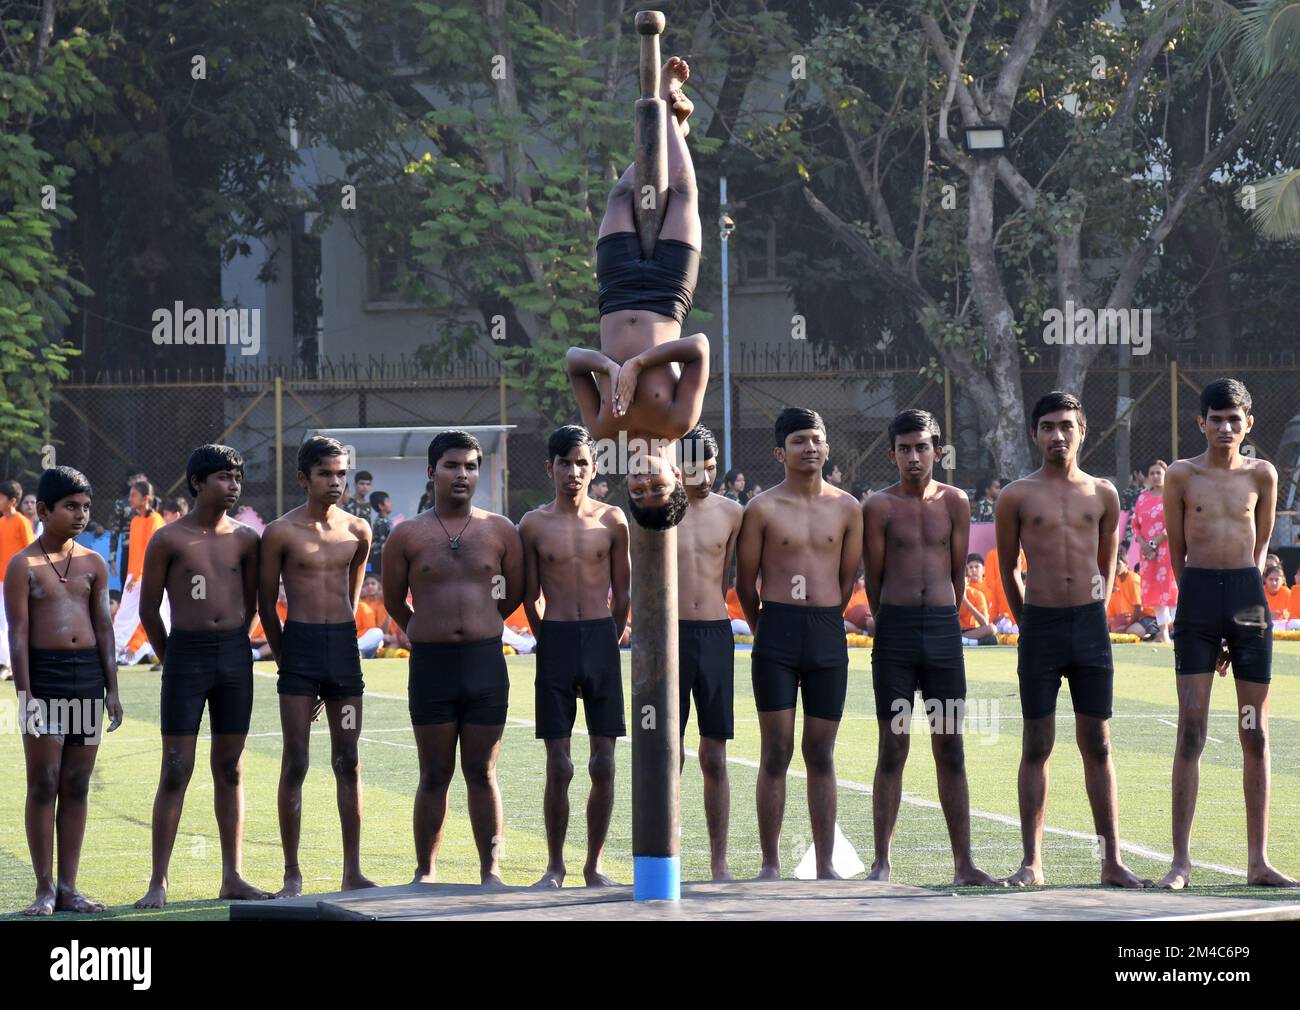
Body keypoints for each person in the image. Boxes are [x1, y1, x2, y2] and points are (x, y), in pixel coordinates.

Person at [996, 391, 1149, 888]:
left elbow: (1107, 565)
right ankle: (1032, 863)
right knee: (1036, 743)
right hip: (1039, 627)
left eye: (1066, 425)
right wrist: (1026, 622)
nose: (1057, 435)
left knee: (1098, 745)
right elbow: (1006, 567)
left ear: (1082, 430)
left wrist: (1094, 611)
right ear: (1035, 433)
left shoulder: (1103, 494)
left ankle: (1111, 860)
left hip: (1088, 629)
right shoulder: (1016, 496)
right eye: (1047, 426)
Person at [1158, 379, 1297, 889]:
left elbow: (1260, 546)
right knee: (1191, 730)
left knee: (1254, 730)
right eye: (1215, 419)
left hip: (1247, 602)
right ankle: (1180, 862)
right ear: (1201, 422)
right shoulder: (1181, 475)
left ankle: (1258, 862)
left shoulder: (1262, 474)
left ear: (1248, 425)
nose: (1224, 427)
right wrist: (1201, 612)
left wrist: (1241, 604)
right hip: (1196, 599)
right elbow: (1177, 551)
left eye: (1234, 420)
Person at [564, 57, 708, 529]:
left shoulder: (605, 427)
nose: (646, 481)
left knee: (620, 197)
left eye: (639, 490)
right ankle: (667, 105)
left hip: (617, 290)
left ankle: (674, 128)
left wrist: (609, 366)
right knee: (683, 193)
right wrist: (642, 365)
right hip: (668, 292)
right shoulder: (677, 422)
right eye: (658, 487)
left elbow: (571, 359)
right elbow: (698, 349)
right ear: (674, 475)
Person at [862, 410, 999, 886]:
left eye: (922, 447)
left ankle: (964, 864)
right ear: (892, 454)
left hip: (942, 633)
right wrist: (894, 619)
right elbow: (874, 580)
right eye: (904, 449)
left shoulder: (955, 502)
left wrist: (942, 616)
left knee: (952, 747)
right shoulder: (879, 506)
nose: (913, 457)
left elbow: (957, 574)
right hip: (896, 633)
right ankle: (882, 862)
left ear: (938, 451)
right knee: (893, 746)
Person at [382, 430, 523, 885]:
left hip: (485, 663)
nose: (462, 474)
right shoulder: (407, 534)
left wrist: (482, 619)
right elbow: (393, 599)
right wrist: (427, 628)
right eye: (451, 465)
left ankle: (491, 870)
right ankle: (425, 871)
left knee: (482, 772)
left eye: (470, 466)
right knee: (434, 772)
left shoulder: (500, 530)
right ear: (431, 471)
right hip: (432, 666)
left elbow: (513, 592)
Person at [134, 445, 268, 908]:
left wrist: (235, 642)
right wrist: (172, 655)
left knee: (230, 768)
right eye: (223, 478)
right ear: (197, 482)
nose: (232, 486)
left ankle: (232, 875)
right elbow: (149, 610)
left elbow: (252, 603)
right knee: (176, 768)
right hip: (185, 656)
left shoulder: (247, 540)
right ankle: (158, 881)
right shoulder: (169, 539)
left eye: (237, 478)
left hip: (233, 656)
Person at [735, 407, 862, 879]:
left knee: (821, 752)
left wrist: (825, 613)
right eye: (799, 441)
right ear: (779, 452)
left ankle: (825, 864)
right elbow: (745, 582)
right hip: (776, 634)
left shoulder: (848, 507)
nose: (809, 448)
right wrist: (766, 625)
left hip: (827, 632)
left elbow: (847, 579)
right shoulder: (762, 508)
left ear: (827, 447)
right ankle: (770, 864)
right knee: (776, 751)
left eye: (816, 439)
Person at [259, 435, 376, 898]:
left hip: (342, 653)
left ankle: (353, 871)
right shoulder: (281, 532)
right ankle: (292, 874)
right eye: (326, 474)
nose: (336, 482)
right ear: (303, 477)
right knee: (297, 760)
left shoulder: (358, 530)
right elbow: (267, 605)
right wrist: (288, 662)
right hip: (300, 650)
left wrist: (342, 636)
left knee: (348, 760)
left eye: (342, 474)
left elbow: (352, 592)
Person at [5, 466, 123, 914]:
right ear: (43, 509)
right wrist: (26, 694)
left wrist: (111, 687)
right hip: (45, 677)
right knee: (44, 782)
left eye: (86, 506)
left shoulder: (93, 563)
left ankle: (70, 888)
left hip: (87, 678)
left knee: (76, 783)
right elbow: (17, 633)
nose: (80, 514)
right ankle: (44, 888)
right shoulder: (24, 565)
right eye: (71, 506)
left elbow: (105, 628)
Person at [518, 425, 629, 887]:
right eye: (565, 463)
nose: (574, 472)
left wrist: (612, 632)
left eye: (582, 463)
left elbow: (623, 592)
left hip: (601, 639)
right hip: (558, 640)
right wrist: (550, 636)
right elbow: (529, 595)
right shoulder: (533, 524)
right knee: (559, 765)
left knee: (603, 762)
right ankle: (555, 865)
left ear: (595, 467)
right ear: (550, 467)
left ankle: (594, 864)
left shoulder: (612, 520)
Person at [674, 424, 743, 880]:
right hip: (669, 635)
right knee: (667, 754)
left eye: (713, 468)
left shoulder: (733, 513)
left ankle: (719, 862)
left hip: (715, 633)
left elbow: (727, 579)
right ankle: (665, 855)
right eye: (697, 468)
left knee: (713, 755)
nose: (706, 477)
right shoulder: (655, 508)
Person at [111, 480, 166, 659]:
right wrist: (134, 575)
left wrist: (139, 575)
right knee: (125, 613)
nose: (130, 499)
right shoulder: (135, 520)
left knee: (161, 614)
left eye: (134, 495)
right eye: (130, 495)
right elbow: (135, 552)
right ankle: (113, 651)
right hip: (134, 576)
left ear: (146, 498)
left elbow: (152, 551)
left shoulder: (155, 519)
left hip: (151, 576)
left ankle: (169, 653)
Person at [1131, 459, 1176, 642]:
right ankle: (1163, 632)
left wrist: (1154, 544)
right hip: (1148, 555)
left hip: (1168, 550)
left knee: (1172, 592)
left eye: (1159, 473)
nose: (1156, 476)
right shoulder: (1142, 497)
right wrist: (1144, 545)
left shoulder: (1172, 497)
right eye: (1152, 473)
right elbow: (1135, 525)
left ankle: (1178, 631)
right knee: (1156, 594)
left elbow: (1174, 523)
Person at [0, 480, 35, 680]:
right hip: (1, 580)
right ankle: (7, 662)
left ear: (12, 500)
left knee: (15, 621)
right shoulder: (1, 522)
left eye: (1, 497)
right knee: (3, 622)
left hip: (16, 581)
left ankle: (11, 664)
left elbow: (30, 552)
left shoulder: (22, 521)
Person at [108, 469, 146, 590]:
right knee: (128, 586)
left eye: (141, 476)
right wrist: (112, 559)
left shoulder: (156, 502)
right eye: (135, 477)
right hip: (129, 549)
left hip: (150, 548)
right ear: (129, 482)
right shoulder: (122, 503)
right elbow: (114, 531)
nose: (140, 479)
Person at [1108, 554, 1158, 640]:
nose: (1115, 567)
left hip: (1150, 616)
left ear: (1126, 564)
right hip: (1137, 617)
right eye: (1114, 564)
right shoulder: (1117, 580)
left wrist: (1126, 627)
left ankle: (1157, 630)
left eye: (1118, 564)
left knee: (1131, 631)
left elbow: (1139, 608)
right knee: (1114, 629)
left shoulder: (1133, 580)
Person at [368, 491, 393, 575]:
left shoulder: (382, 520)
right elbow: (383, 545)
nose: (391, 504)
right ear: (381, 506)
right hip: (379, 559)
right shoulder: (383, 522)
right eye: (388, 501)